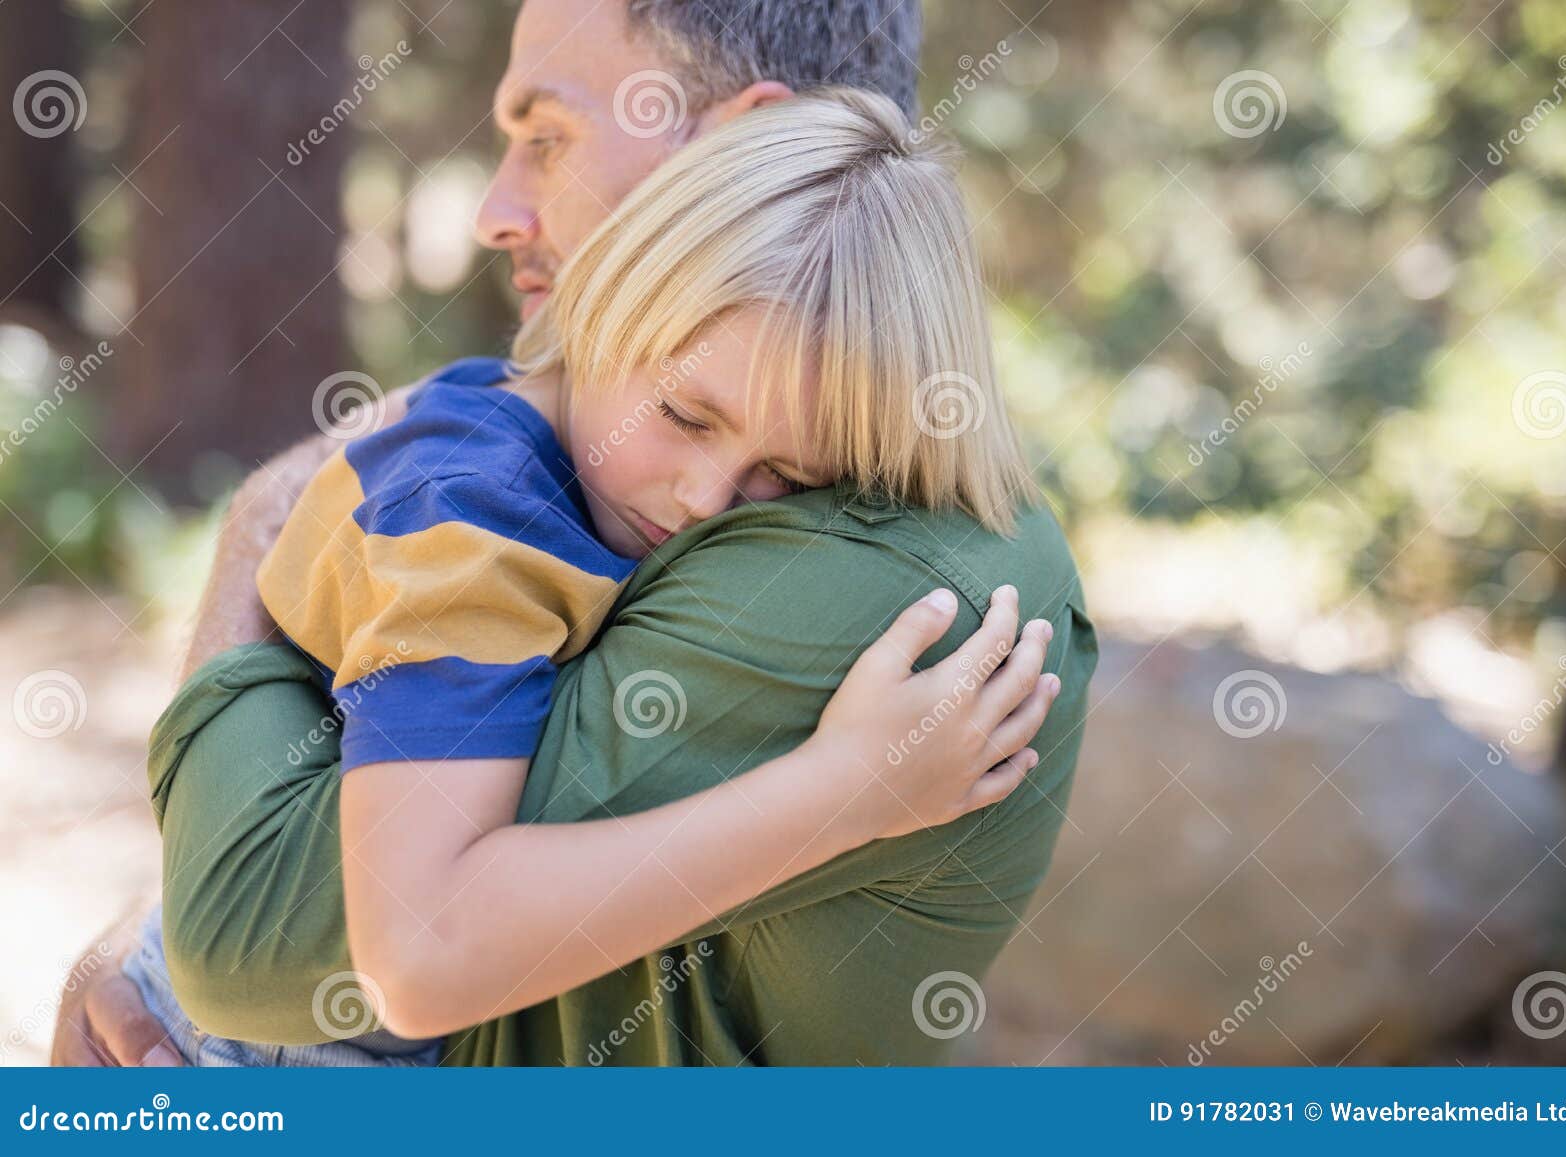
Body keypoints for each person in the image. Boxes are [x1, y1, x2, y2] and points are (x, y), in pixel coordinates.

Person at [55, 0, 1099, 1067]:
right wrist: (845, 792)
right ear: (615, 289)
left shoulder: (600, 428)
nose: (708, 497)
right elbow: (409, 950)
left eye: (785, 477)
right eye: (685, 416)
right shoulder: (482, 521)